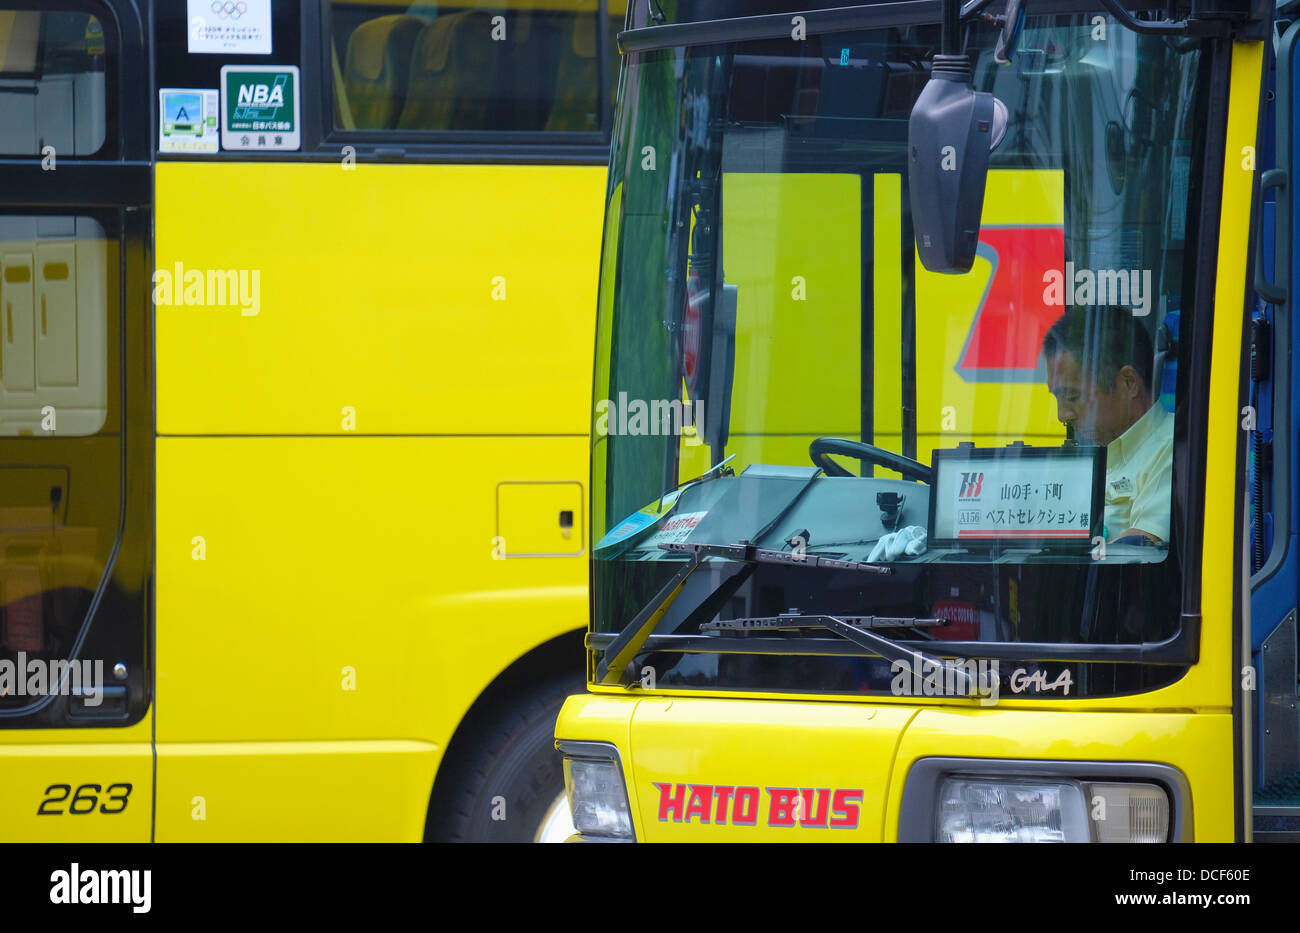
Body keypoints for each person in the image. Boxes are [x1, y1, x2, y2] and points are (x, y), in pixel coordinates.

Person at [1041, 305, 1172, 544]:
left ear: (1129, 383)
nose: (1062, 416)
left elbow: (1142, 546)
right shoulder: (1093, 455)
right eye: (1056, 397)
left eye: (1073, 397)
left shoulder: (1172, 450)